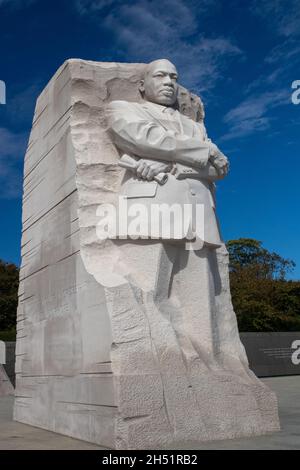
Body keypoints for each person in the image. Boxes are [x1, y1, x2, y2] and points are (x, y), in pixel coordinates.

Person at [105, 59, 245, 368]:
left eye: (174, 76)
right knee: (149, 290)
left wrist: (169, 163)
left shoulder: (195, 126)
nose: (169, 81)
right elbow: (141, 137)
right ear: (142, 84)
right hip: (153, 207)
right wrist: (200, 153)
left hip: (199, 213)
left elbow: (219, 169)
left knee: (202, 299)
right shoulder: (123, 109)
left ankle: (211, 366)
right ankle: (160, 363)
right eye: (161, 75)